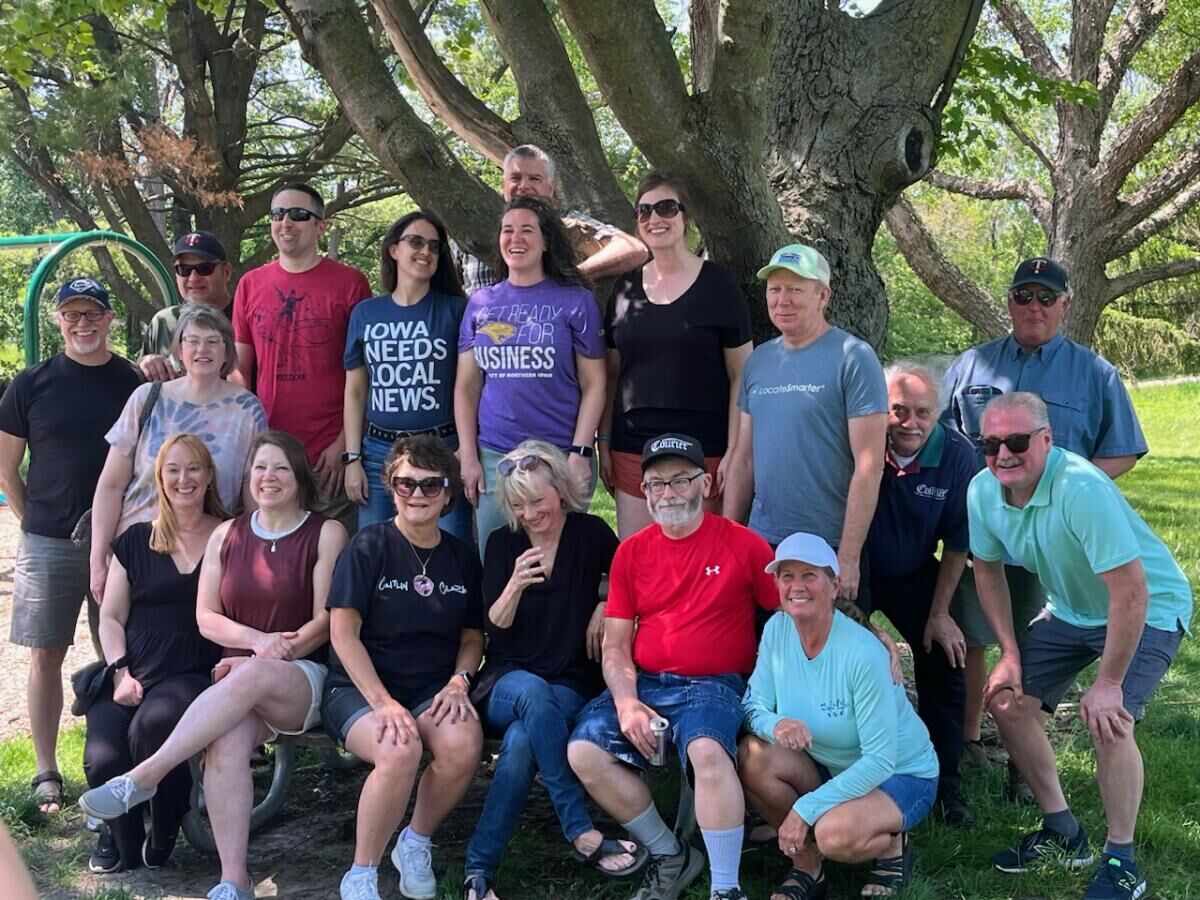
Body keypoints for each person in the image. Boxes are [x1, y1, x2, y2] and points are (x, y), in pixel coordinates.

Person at [79, 431, 348, 900]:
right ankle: (233, 879)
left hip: (301, 674)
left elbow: (327, 619)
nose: (269, 478)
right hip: (236, 680)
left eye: (281, 468)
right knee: (224, 743)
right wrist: (253, 644)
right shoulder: (229, 534)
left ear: (298, 476)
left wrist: (267, 653)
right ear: (248, 479)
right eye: (261, 468)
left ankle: (145, 776)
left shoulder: (325, 531)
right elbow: (207, 617)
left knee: (255, 672)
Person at [967, 392, 1189, 900]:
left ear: (1047, 440)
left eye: (1017, 441)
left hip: (1146, 606)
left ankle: (1121, 861)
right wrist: (1011, 653)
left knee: (1110, 720)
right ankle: (1064, 833)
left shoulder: (1081, 489)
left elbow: (1131, 592)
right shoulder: (982, 491)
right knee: (1007, 700)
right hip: (1072, 609)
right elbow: (986, 570)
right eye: (991, 444)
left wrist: (1108, 684)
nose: (1004, 454)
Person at [940, 256, 1149, 771]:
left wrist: (1068, 495)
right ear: (1009, 301)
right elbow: (942, 439)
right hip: (985, 526)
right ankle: (970, 744)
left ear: (1065, 306)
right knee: (974, 636)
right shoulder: (971, 365)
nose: (1034, 306)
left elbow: (1124, 448)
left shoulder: (1095, 373)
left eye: (1046, 297)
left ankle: (1021, 764)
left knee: (1033, 641)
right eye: (1023, 295)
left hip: (1053, 538)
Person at [568, 433, 779, 900]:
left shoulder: (745, 545)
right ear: (642, 492)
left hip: (713, 685)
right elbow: (617, 645)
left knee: (707, 752)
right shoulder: (632, 552)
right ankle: (670, 853)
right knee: (583, 751)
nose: (668, 493)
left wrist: (872, 636)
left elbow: (794, 611)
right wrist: (626, 704)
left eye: (680, 480)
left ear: (705, 484)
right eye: (656, 484)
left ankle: (726, 888)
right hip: (645, 683)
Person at [463, 441, 645, 900]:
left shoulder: (591, 534)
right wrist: (515, 586)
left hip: (569, 680)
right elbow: (493, 626)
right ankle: (579, 827)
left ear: (561, 493)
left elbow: (627, 577)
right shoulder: (503, 543)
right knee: (529, 693)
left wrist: (605, 601)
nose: (529, 514)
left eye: (538, 502)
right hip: (505, 681)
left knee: (525, 740)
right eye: (519, 504)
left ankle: (477, 871)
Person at [0, 276, 142, 815]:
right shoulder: (30, 383)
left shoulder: (131, 380)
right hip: (50, 540)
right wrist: (32, 521)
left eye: (93, 314)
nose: (83, 324)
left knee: (122, 651)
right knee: (46, 654)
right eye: (72, 315)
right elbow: (6, 467)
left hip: (122, 542)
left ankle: (120, 758)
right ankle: (46, 771)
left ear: (108, 319)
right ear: (58, 321)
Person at [321, 435, 484, 900]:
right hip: (357, 688)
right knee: (399, 748)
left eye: (430, 485)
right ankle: (361, 873)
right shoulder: (367, 547)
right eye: (405, 483)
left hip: (430, 687)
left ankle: (415, 841)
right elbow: (342, 635)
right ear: (390, 488)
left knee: (463, 744)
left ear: (448, 493)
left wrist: (460, 680)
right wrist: (382, 702)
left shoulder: (461, 557)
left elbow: (473, 637)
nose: (417, 494)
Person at [740, 532, 940, 900]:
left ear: (834, 587)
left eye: (809, 575)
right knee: (754, 758)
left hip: (900, 774)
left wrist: (805, 809)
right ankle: (807, 869)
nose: (796, 586)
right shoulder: (776, 631)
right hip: (830, 763)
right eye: (787, 576)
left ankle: (892, 846)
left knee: (834, 834)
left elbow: (880, 761)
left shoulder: (862, 654)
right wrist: (776, 724)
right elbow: (753, 706)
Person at [83, 434, 227, 873]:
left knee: (152, 726)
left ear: (208, 477)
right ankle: (120, 837)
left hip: (191, 668)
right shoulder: (136, 539)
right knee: (103, 756)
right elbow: (110, 617)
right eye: (173, 470)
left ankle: (166, 820)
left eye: (193, 469)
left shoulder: (229, 534)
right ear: (159, 480)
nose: (184, 479)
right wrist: (119, 671)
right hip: (131, 664)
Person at [723, 244, 887, 611]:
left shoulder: (854, 357)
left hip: (826, 545)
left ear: (823, 295)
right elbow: (744, 458)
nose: (783, 300)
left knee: (830, 661)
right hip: (765, 544)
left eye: (796, 289)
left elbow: (869, 465)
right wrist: (729, 538)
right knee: (768, 655)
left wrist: (848, 555)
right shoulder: (759, 361)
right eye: (775, 289)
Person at [599, 172, 752, 538]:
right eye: (644, 210)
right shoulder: (624, 289)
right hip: (633, 449)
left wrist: (735, 450)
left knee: (702, 570)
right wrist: (603, 443)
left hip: (705, 451)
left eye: (666, 208)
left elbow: (742, 377)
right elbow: (610, 375)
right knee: (642, 565)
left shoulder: (719, 285)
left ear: (686, 217)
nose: (655, 218)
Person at [455, 196, 607, 558]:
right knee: (495, 561)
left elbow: (595, 384)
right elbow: (467, 385)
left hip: (559, 454)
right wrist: (469, 455)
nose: (515, 238)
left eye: (527, 230)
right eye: (508, 230)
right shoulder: (480, 304)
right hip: (495, 455)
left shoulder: (575, 301)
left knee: (562, 565)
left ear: (546, 241)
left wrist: (581, 452)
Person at [864, 361, 979, 827]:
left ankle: (945, 784)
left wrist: (940, 614)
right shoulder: (861, 437)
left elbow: (957, 543)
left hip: (916, 569)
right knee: (843, 659)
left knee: (947, 657)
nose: (909, 423)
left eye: (922, 413)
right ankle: (844, 776)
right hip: (857, 567)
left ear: (938, 413)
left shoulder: (958, 455)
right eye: (898, 410)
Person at [89, 304, 267, 603]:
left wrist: (255, 557)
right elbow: (111, 485)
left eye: (213, 341)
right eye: (193, 341)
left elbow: (251, 493)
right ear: (179, 349)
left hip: (209, 556)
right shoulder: (147, 398)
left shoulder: (247, 410)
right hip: (138, 549)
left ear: (227, 350)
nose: (203, 349)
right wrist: (98, 558)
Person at [234, 182, 373, 535]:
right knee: (275, 562)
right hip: (271, 456)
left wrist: (345, 444)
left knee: (333, 562)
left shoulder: (350, 284)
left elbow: (366, 376)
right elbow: (239, 375)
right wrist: (253, 451)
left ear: (320, 225)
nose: (286, 223)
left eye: (299, 214)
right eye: (278, 214)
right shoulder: (250, 284)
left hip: (329, 454)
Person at [343, 211, 471, 541]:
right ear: (393, 250)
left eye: (434, 246)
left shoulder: (456, 310)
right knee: (375, 552)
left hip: (442, 450)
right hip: (377, 453)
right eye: (415, 242)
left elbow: (471, 385)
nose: (425, 251)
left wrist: (465, 451)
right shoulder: (366, 313)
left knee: (448, 551)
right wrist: (352, 458)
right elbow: (356, 391)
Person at [452, 144, 648, 295]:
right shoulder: (473, 226)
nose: (524, 186)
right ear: (504, 184)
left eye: (535, 179)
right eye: (515, 178)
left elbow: (634, 250)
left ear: (551, 188)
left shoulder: (570, 223)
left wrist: (573, 275)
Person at [139, 230, 235, 381]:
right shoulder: (164, 323)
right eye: (183, 269)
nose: (193, 278)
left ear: (227, 272)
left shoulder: (247, 318)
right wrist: (147, 363)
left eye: (204, 269)